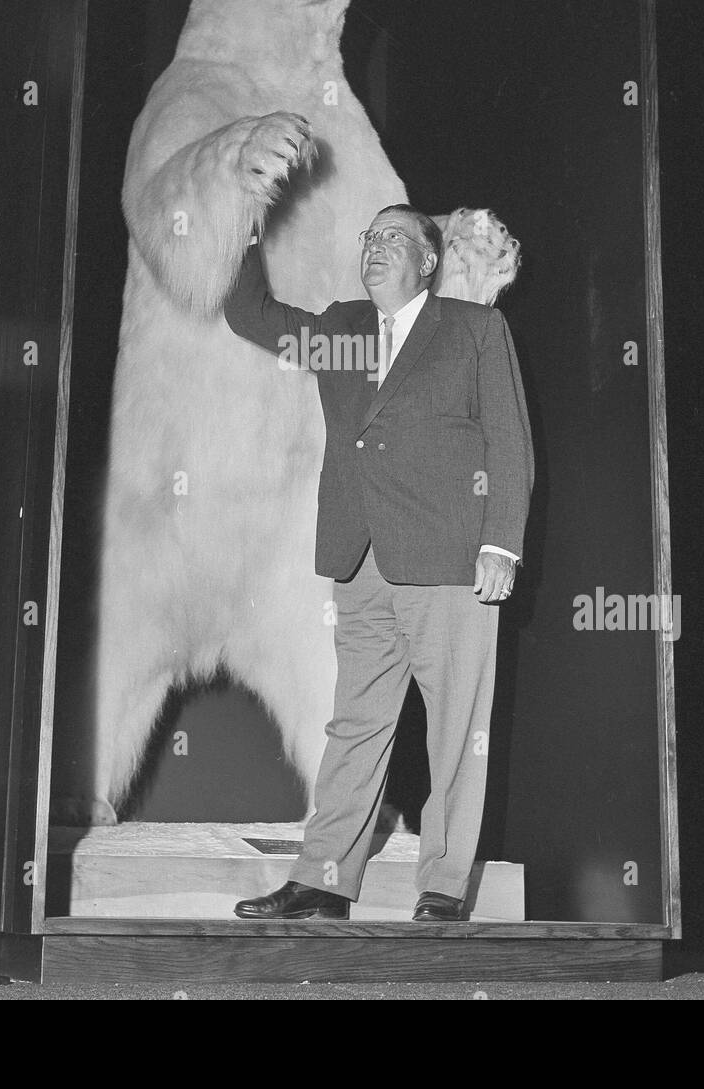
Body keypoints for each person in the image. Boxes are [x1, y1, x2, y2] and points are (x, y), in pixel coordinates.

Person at [224, 204, 533, 920]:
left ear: (428, 260)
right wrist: (244, 227)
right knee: (355, 723)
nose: (375, 246)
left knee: (457, 726)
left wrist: (502, 543)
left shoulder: (474, 328)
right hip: (359, 559)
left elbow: (509, 441)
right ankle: (325, 879)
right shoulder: (341, 328)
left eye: (394, 236)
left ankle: (445, 887)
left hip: (453, 559)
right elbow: (251, 313)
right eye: (368, 236)